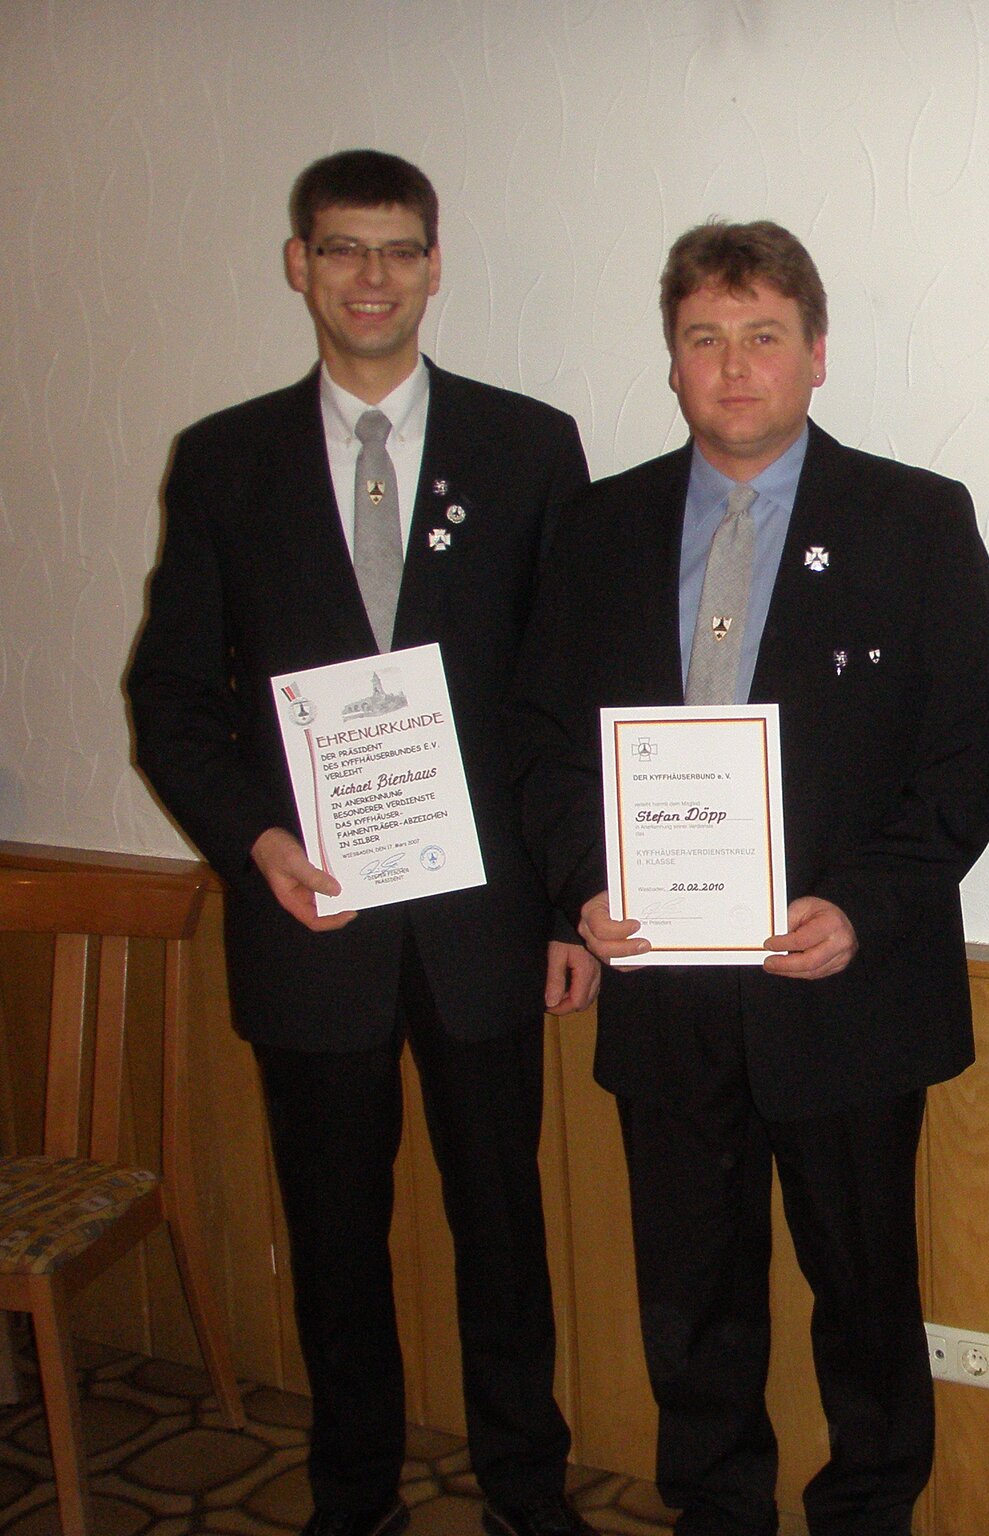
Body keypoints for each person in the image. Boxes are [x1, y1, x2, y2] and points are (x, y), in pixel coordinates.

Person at [508, 220, 989, 1536]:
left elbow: (964, 765)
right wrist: (581, 885)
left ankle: (867, 1519)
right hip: (664, 999)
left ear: (818, 354)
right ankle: (714, 1517)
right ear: (671, 361)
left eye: (763, 337)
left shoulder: (916, 521)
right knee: (692, 1313)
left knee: (868, 1311)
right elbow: (546, 747)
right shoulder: (599, 527)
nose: (733, 369)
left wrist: (867, 909)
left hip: (846, 995)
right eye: (704, 340)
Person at [127, 150, 597, 1536]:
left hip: (488, 930)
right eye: (342, 250)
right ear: (299, 265)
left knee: (503, 1230)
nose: (372, 277)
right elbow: (169, 700)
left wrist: (572, 906)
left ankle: (526, 1483)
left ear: (437, 264)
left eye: (398, 249)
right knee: (332, 1239)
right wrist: (257, 843)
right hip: (310, 919)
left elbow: (558, 697)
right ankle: (351, 1494)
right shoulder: (222, 462)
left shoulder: (530, 446)